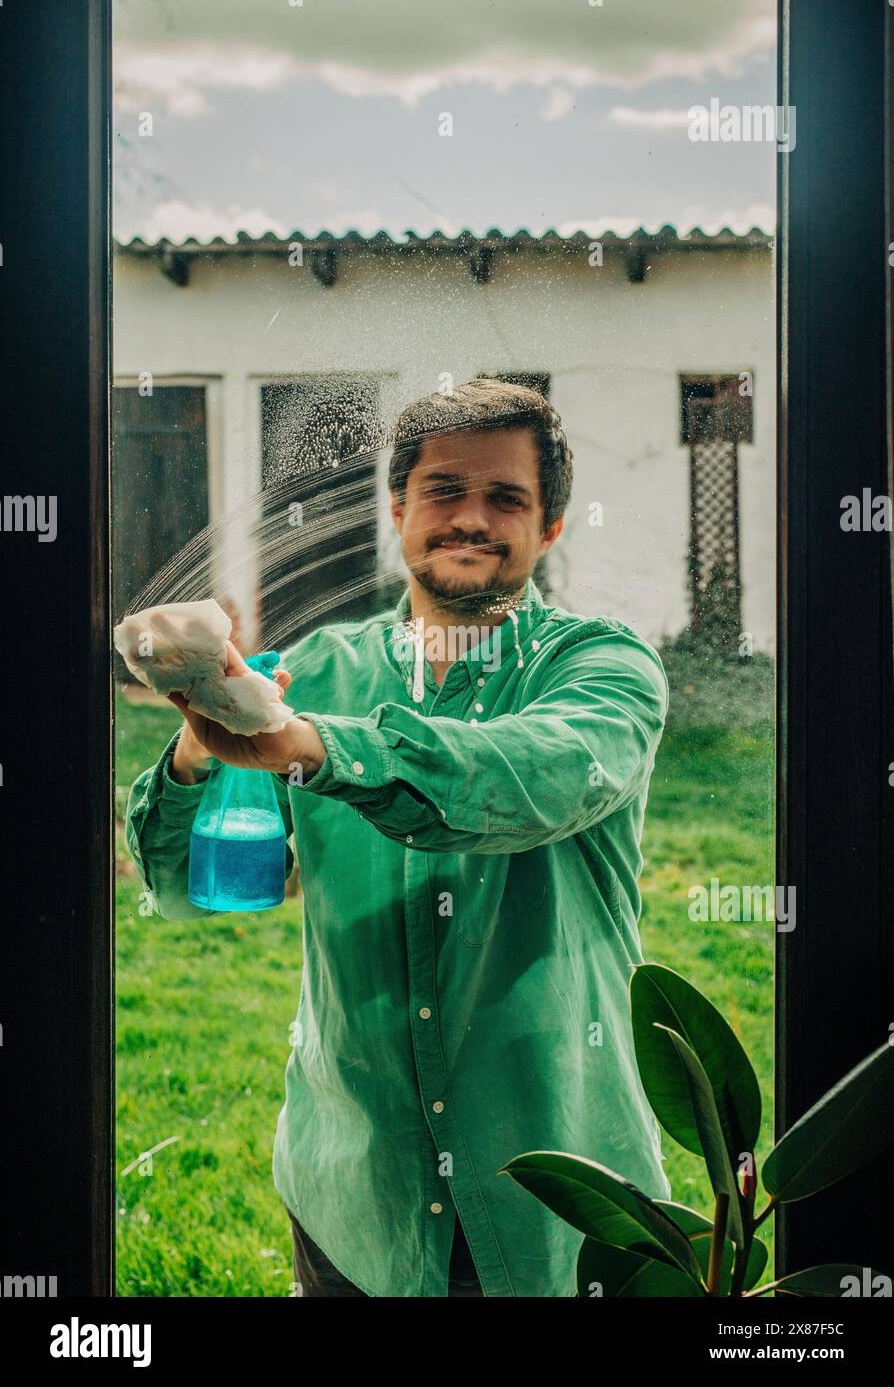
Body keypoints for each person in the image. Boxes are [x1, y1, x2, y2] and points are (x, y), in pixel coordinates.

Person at [125, 377, 672, 1298]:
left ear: (551, 530)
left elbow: (530, 776)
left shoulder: (602, 666)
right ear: (397, 512)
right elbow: (185, 889)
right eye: (443, 492)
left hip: (566, 1201)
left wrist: (318, 747)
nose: (471, 518)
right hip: (354, 1198)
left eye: (506, 498)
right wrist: (198, 739)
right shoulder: (317, 670)